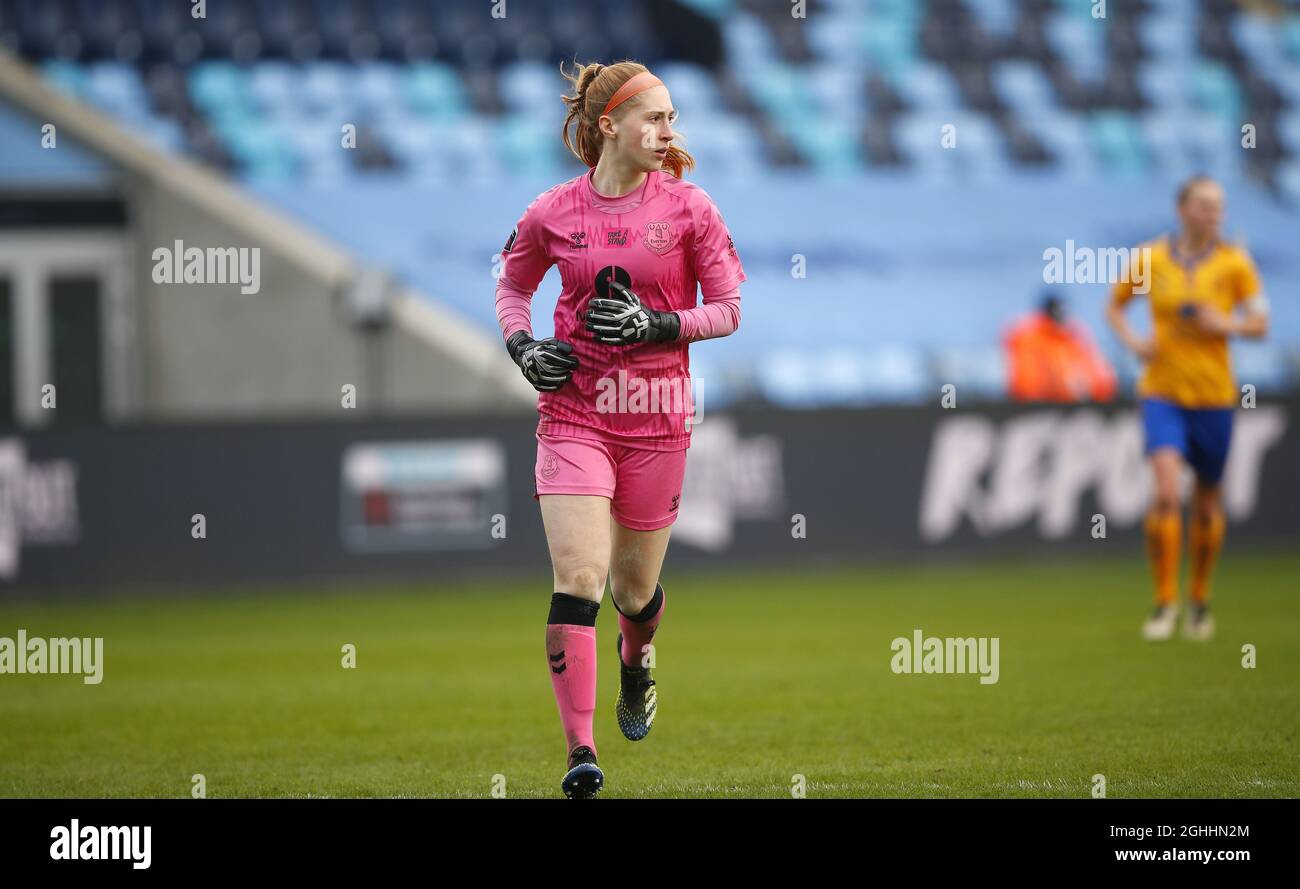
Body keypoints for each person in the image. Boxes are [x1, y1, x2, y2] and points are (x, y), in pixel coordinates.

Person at [494, 60, 745, 797]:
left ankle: (637, 661)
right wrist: (524, 346)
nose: (670, 131)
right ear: (611, 127)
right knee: (579, 576)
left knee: (633, 591)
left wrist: (659, 322)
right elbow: (512, 285)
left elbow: (730, 307)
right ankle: (581, 752)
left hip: (654, 415)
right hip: (573, 410)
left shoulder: (692, 208)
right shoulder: (552, 211)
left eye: (672, 118)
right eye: (656, 118)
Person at [1106, 176, 1269, 642]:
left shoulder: (1236, 263)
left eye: (1218, 206)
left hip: (1214, 395)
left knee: (1206, 500)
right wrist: (1137, 343)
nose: (1213, 213)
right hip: (1162, 391)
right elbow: (1116, 308)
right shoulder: (1151, 260)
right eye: (1203, 205)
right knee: (1163, 489)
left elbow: (1260, 323)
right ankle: (1164, 601)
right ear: (1182, 210)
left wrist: (1227, 323)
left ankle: (1199, 597)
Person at [1004, 293, 1117, 402]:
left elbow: (1103, 381)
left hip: (1078, 406)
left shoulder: (1075, 336)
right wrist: (1064, 387)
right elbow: (1027, 386)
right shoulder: (1029, 338)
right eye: (1057, 313)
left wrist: (1087, 387)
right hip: (1043, 408)